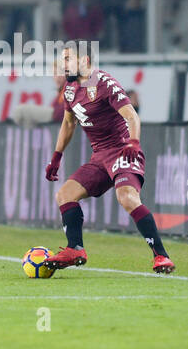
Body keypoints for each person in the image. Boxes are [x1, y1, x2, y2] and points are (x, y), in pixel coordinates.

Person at [43, 42, 174, 274]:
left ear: (84, 61)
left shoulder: (102, 82)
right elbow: (68, 123)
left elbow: (132, 116)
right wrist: (56, 156)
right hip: (100, 156)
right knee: (65, 195)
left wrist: (133, 142)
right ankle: (75, 249)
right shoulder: (71, 88)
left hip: (123, 150)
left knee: (126, 197)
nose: (63, 65)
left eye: (67, 59)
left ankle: (161, 256)